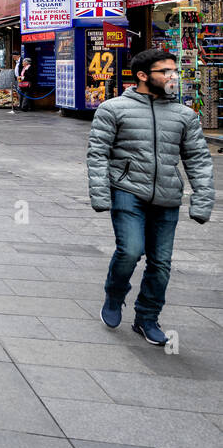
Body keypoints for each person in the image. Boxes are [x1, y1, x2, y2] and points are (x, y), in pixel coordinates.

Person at [87, 49, 214, 346]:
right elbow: (97, 154)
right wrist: (100, 194)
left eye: (174, 71)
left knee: (161, 263)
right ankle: (115, 294)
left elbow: (198, 159)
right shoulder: (112, 109)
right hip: (127, 191)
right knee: (130, 251)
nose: (173, 76)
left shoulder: (185, 115)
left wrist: (203, 198)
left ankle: (147, 317)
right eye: (165, 72)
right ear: (143, 76)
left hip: (168, 195)